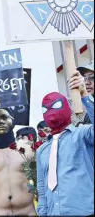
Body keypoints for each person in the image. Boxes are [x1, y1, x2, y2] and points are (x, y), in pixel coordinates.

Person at [37, 71, 94, 216]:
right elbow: (42, 189)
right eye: (46, 109)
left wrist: (85, 96)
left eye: (56, 106)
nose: (50, 112)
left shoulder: (82, 135)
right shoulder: (42, 150)